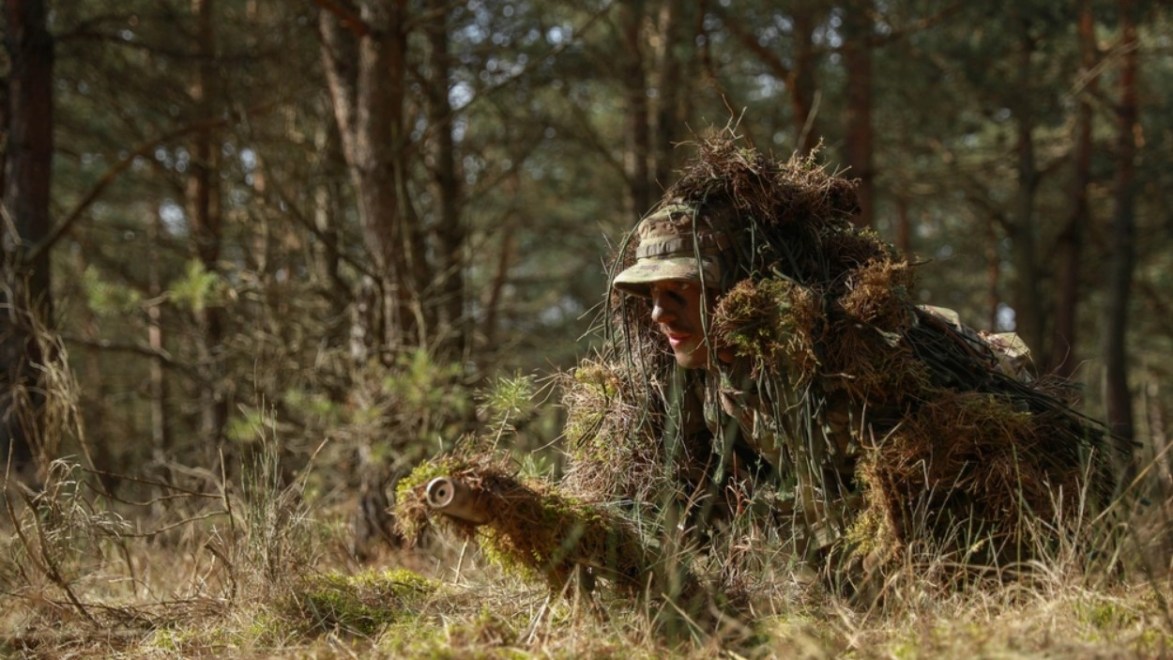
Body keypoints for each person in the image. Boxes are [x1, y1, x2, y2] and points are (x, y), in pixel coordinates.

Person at [593, 138, 1110, 589]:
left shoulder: (837, 368)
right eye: (652, 296)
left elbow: (924, 504)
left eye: (679, 291)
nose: (659, 314)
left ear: (734, 289)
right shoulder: (700, 376)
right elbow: (696, 502)